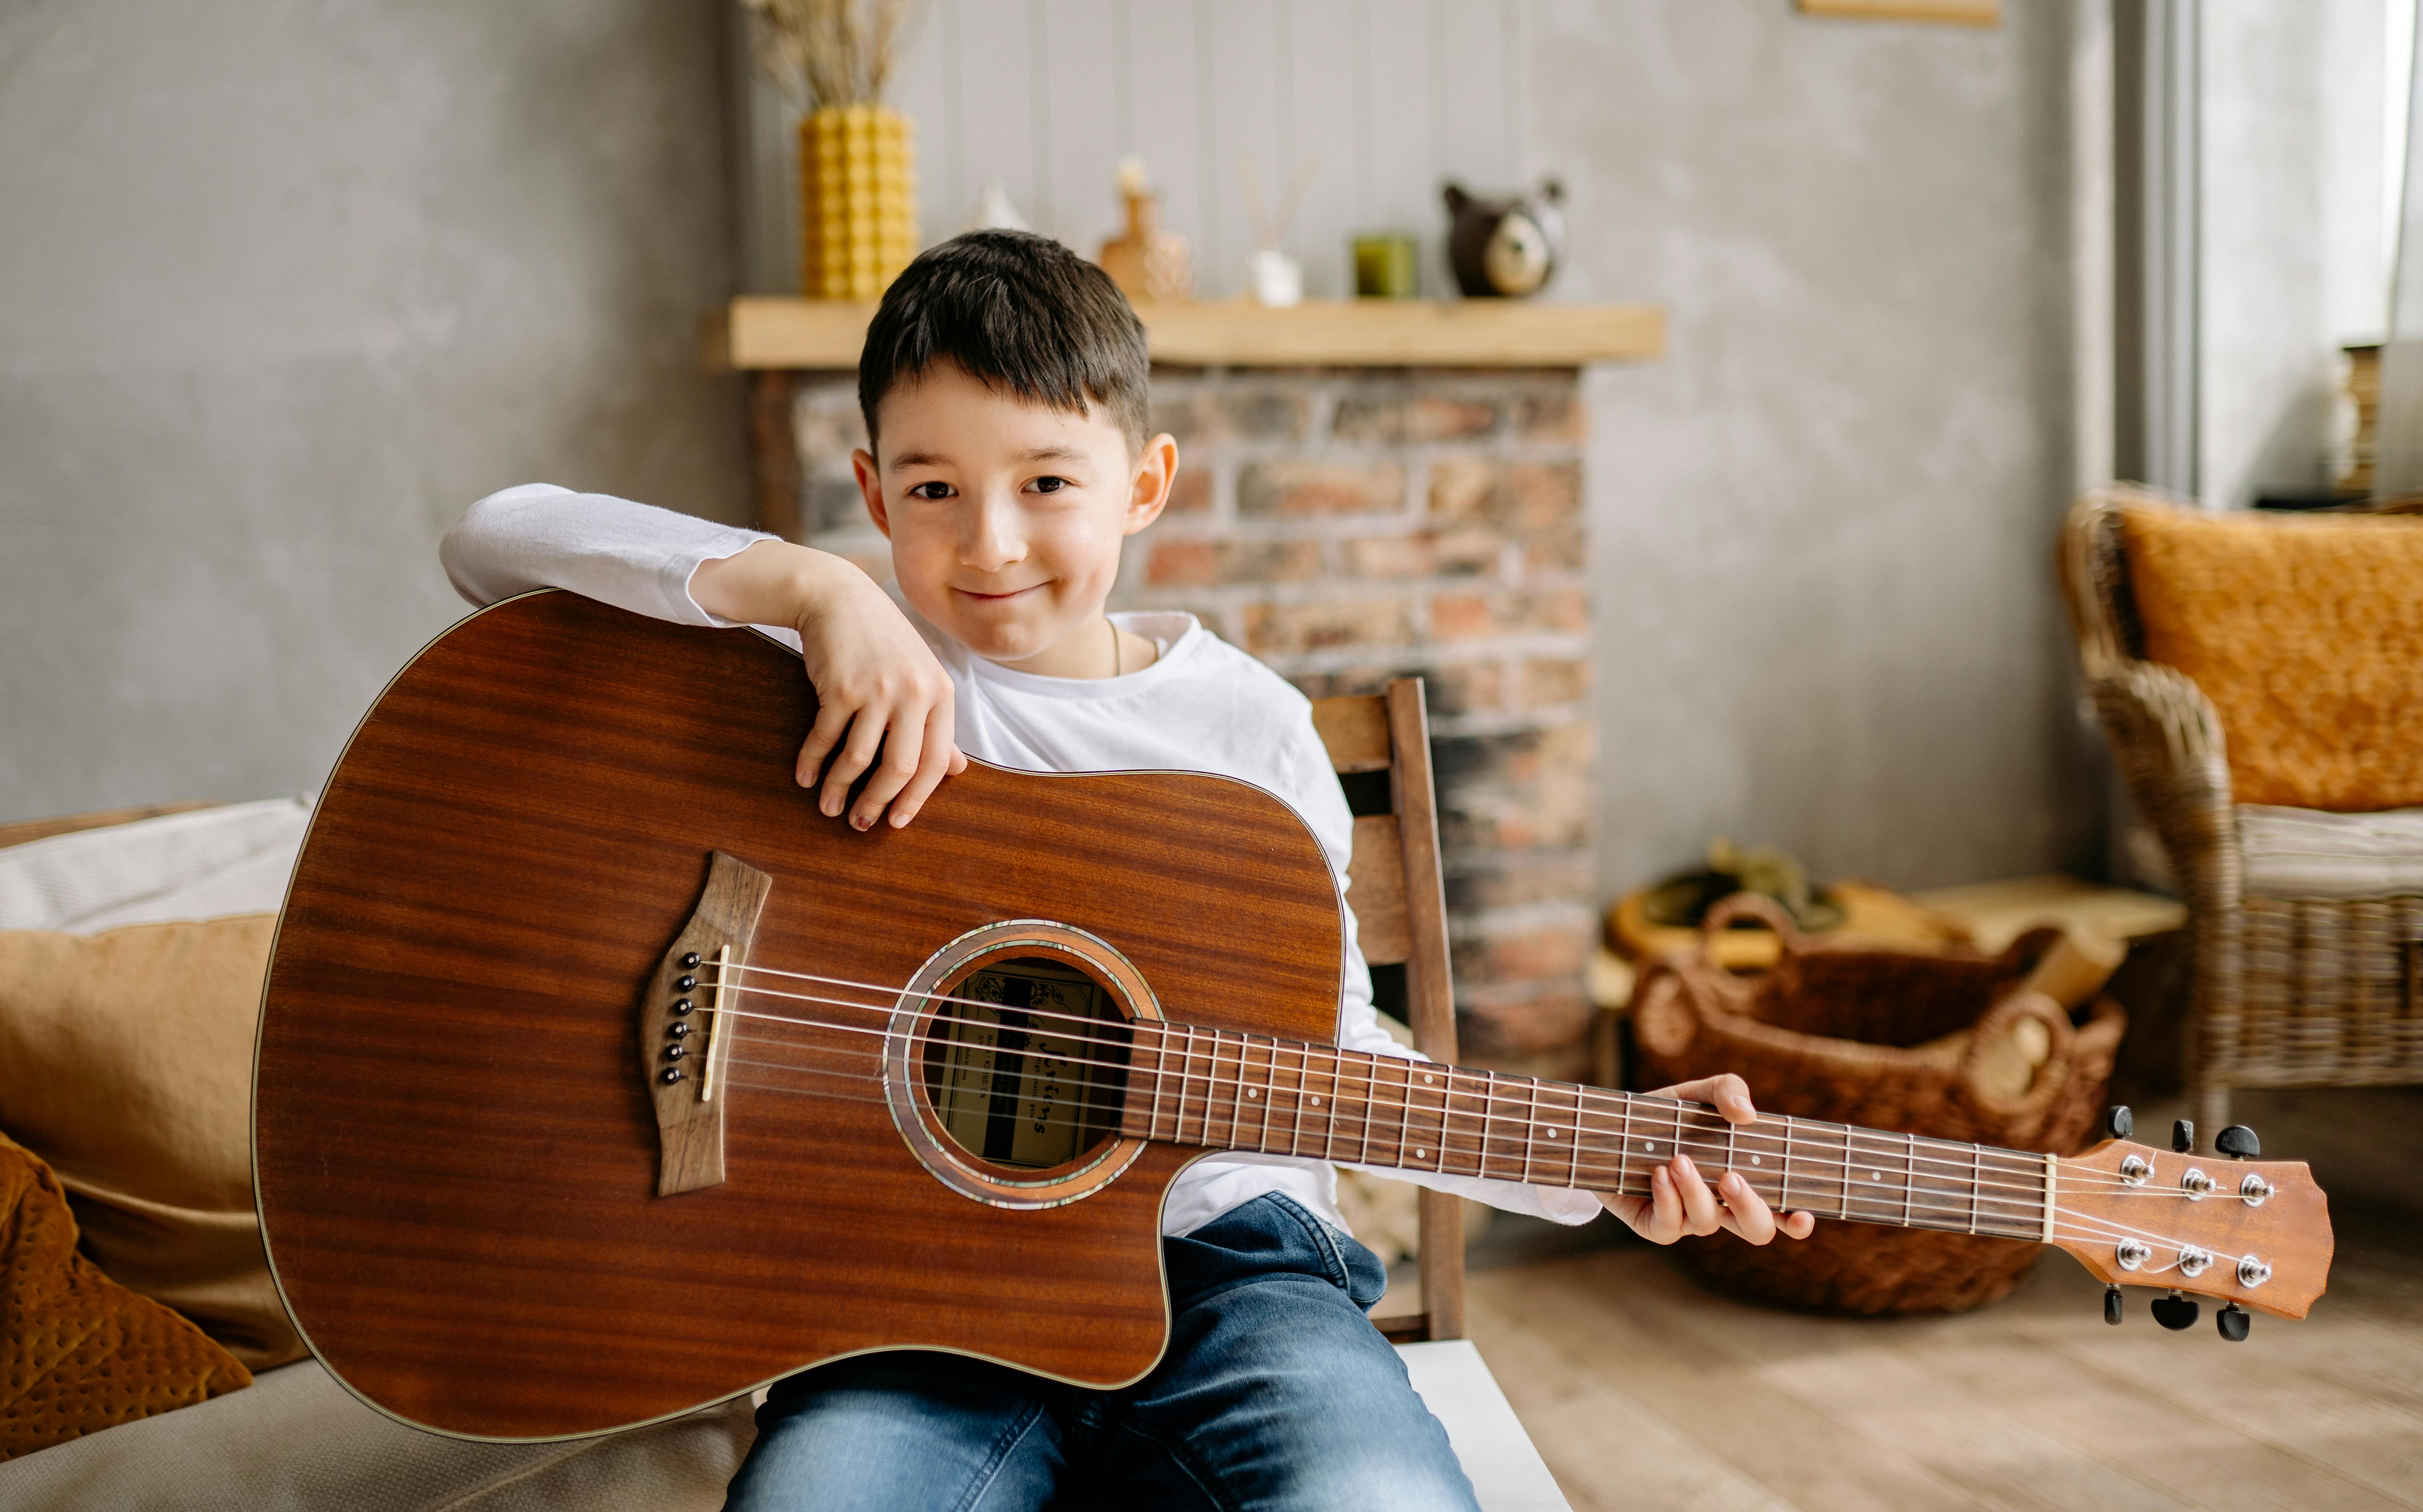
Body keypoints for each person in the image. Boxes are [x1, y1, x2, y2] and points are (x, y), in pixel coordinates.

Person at [441, 229, 1814, 1512]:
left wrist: (1601, 1168)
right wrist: (819, 593)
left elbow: (1332, 1054)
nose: (990, 542)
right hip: (905, 1294)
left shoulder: (1246, 731)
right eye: (932, 490)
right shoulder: (838, 683)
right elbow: (496, 532)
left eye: (1046, 483)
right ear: (871, 492)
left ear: (1144, 484)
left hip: (1235, 1279)